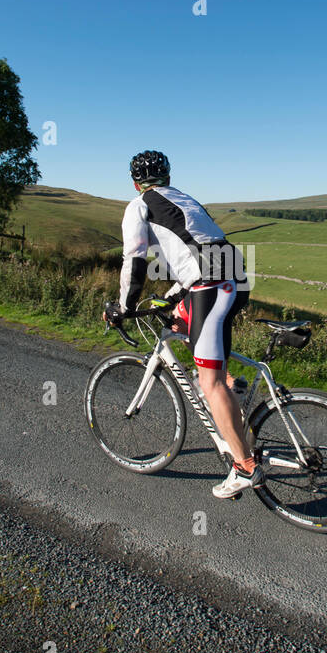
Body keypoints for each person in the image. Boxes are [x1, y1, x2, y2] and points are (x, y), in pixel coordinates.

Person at [102, 150, 261, 499]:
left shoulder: (139, 204)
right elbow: (197, 250)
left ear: (134, 182)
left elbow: (135, 258)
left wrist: (124, 307)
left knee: (208, 382)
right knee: (182, 320)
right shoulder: (183, 198)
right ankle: (234, 387)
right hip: (231, 276)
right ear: (168, 177)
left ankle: (245, 467)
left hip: (211, 283)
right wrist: (173, 297)